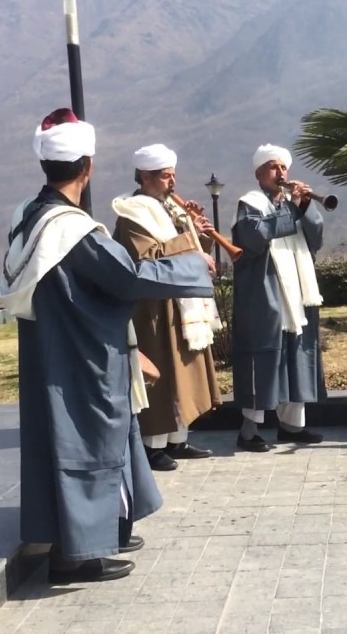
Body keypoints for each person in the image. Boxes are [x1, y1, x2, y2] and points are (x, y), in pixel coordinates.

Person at [0, 109, 212, 584]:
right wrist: (194, 266)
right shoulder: (72, 230)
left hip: (49, 349)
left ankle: (102, 529)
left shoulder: (28, 217)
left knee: (70, 442)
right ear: (87, 166)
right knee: (88, 444)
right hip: (83, 355)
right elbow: (127, 276)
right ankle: (76, 555)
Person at [111, 143, 224, 471]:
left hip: (182, 302)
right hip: (155, 307)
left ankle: (178, 440)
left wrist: (198, 233)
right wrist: (189, 243)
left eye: (174, 175)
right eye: (164, 177)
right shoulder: (132, 212)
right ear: (145, 177)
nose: (172, 182)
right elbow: (146, 257)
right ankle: (152, 447)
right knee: (164, 377)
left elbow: (190, 253)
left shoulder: (169, 210)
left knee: (184, 375)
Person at [229, 144, 327, 452]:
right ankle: (249, 431)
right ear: (259, 173)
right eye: (273, 167)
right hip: (265, 292)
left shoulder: (293, 202)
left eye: (284, 167)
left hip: (296, 292)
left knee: (294, 357)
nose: (281, 172)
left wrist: (306, 207)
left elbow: (316, 238)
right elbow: (254, 237)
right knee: (263, 358)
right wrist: (290, 209)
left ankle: (292, 426)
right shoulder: (250, 202)